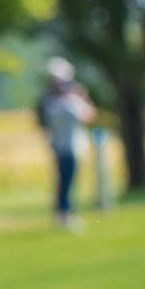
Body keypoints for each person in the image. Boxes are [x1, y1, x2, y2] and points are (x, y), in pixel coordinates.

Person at [39, 56, 95, 231]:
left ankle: (62, 214)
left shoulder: (50, 102)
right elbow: (90, 115)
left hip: (57, 146)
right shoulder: (69, 102)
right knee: (68, 183)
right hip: (70, 147)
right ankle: (65, 215)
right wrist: (82, 97)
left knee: (63, 182)